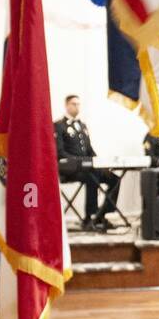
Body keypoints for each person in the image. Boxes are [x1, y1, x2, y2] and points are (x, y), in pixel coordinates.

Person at [54, 95, 120, 231]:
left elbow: (89, 149)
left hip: (88, 167)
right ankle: (90, 217)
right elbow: (60, 152)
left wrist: (100, 163)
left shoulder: (82, 125)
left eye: (78, 104)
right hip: (71, 169)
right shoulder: (59, 125)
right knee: (92, 176)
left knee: (114, 178)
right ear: (66, 105)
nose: (77, 107)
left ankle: (102, 214)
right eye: (73, 104)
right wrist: (81, 162)